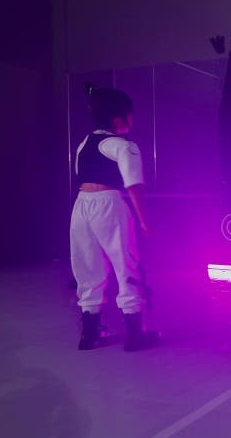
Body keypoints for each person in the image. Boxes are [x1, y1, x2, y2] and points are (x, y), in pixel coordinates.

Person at [70, 87, 158, 352]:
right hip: (110, 204)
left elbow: (79, 174)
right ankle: (135, 334)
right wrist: (144, 221)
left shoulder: (84, 144)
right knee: (125, 264)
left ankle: (90, 334)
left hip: (81, 205)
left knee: (87, 267)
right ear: (120, 118)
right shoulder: (125, 146)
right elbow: (134, 186)